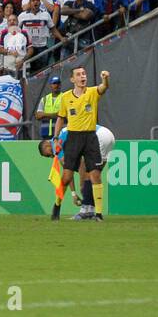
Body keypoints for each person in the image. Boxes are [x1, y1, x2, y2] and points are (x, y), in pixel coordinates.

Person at [51, 65, 109, 221]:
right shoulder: (65, 97)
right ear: (72, 79)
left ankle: (98, 213)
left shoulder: (92, 92)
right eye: (78, 74)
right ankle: (57, 206)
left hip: (90, 137)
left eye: (84, 74)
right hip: (73, 138)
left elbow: (103, 88)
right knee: (66, 177)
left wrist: (105, 78)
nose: (82, 77)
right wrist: (56, 138)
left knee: (95, 174)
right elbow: (60, 118)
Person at [40, 124, 115, 220]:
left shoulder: (55, 146)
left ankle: (85, 211)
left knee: (87, 176)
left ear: (46, 145)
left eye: (47, 155)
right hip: (108, 135)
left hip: (97, 136)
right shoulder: (64, 133)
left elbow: (68, 171)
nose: (51, 157)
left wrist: (76, 190)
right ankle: (90, 210)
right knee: (94, 175)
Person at [36, 74, 63, 139]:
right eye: (54, 83)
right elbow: (38, 116)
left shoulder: (65, 97)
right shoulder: (45, 99)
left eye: (58, 83)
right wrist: (54, 114)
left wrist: (44, 115)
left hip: (60, 132)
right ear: (50, 85)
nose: (56, 85)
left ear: (60, 85)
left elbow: (62, 115)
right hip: (46, 133)